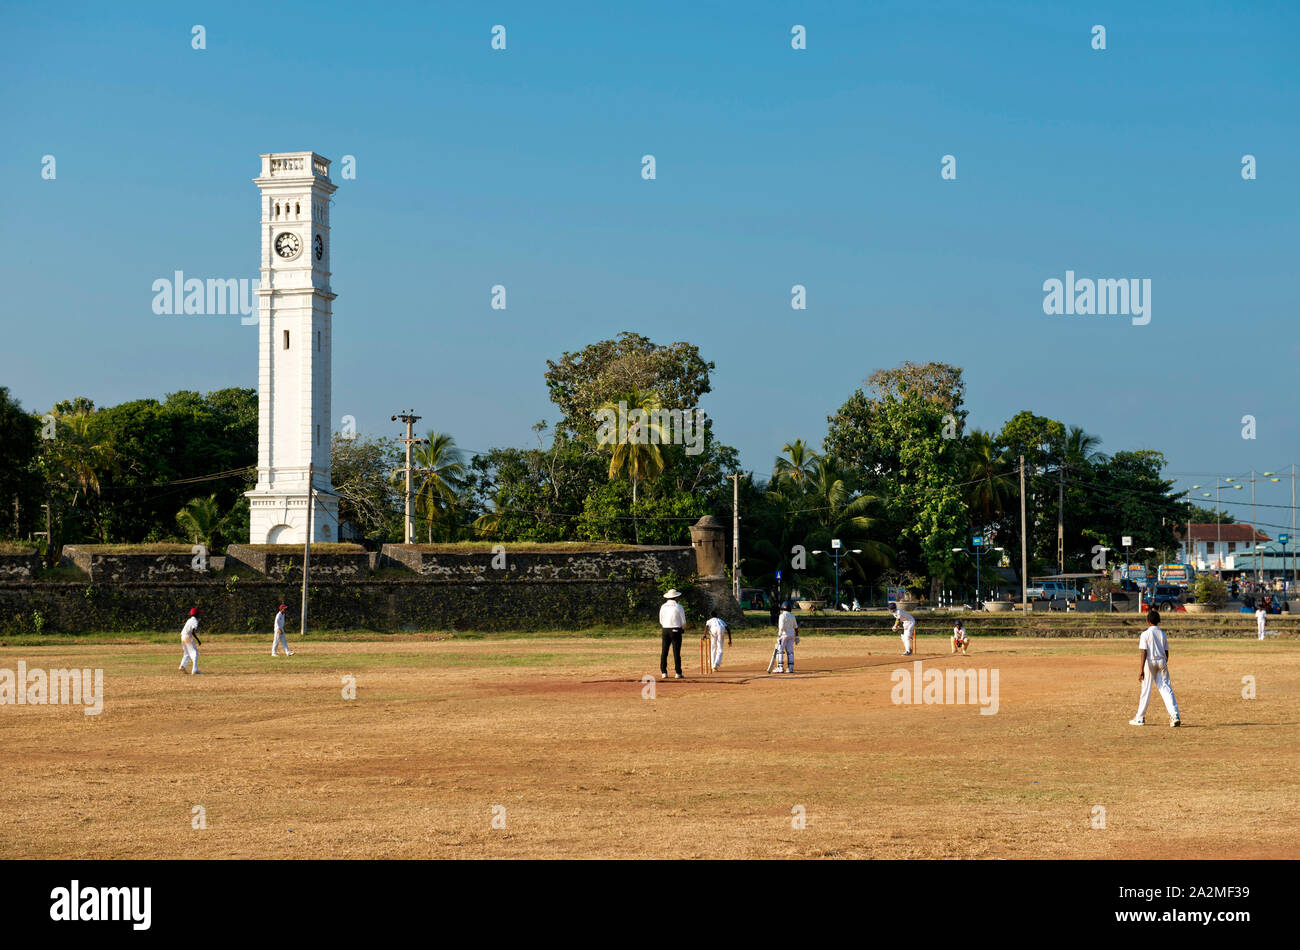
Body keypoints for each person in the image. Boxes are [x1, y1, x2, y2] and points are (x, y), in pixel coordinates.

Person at [1130, 609, 1180, 727]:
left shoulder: (1145, 634)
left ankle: (1140, 718)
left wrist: (1141, 670)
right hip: (1162, 661)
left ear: (1148, 621)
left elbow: (1144, 652)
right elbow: (1167, 652)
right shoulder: (1162, 633)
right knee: (1166, 689)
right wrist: (1163, 664)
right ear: (1158, 621)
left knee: (1146, 690)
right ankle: (1175, 716)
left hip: (1150, 662)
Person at [659, 589, 686, 679]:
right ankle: (678, 673)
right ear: (676, 597)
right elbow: (683, 621)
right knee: (676, 652)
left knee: (664, 651)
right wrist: (682, 629)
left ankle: (664, 672)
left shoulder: (663, 606)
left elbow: (661, 620)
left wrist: (666, 626)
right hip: (676, 629)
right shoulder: (679, 606)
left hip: (665, 629)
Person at [770, 606, 799, 673]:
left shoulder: (782, 616)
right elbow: (796, 627)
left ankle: (780, 667)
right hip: (791, 635)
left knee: (780, 650)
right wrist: (797, 636)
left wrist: (779, 636)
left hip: (784, 635)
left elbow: (781, 627)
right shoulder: (792, 616)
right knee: (790, 651)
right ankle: (790, 668)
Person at [179, 607, 202, 675]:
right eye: (199, 614)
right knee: (195, 652)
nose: (199, 615)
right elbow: (193, 631)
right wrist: (198, 640)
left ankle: (182, 666)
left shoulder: (189, 620)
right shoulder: (195, 621)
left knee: (187, 653)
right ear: (196, 614)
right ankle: (195, 669)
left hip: (183, 636)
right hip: (187, 637)